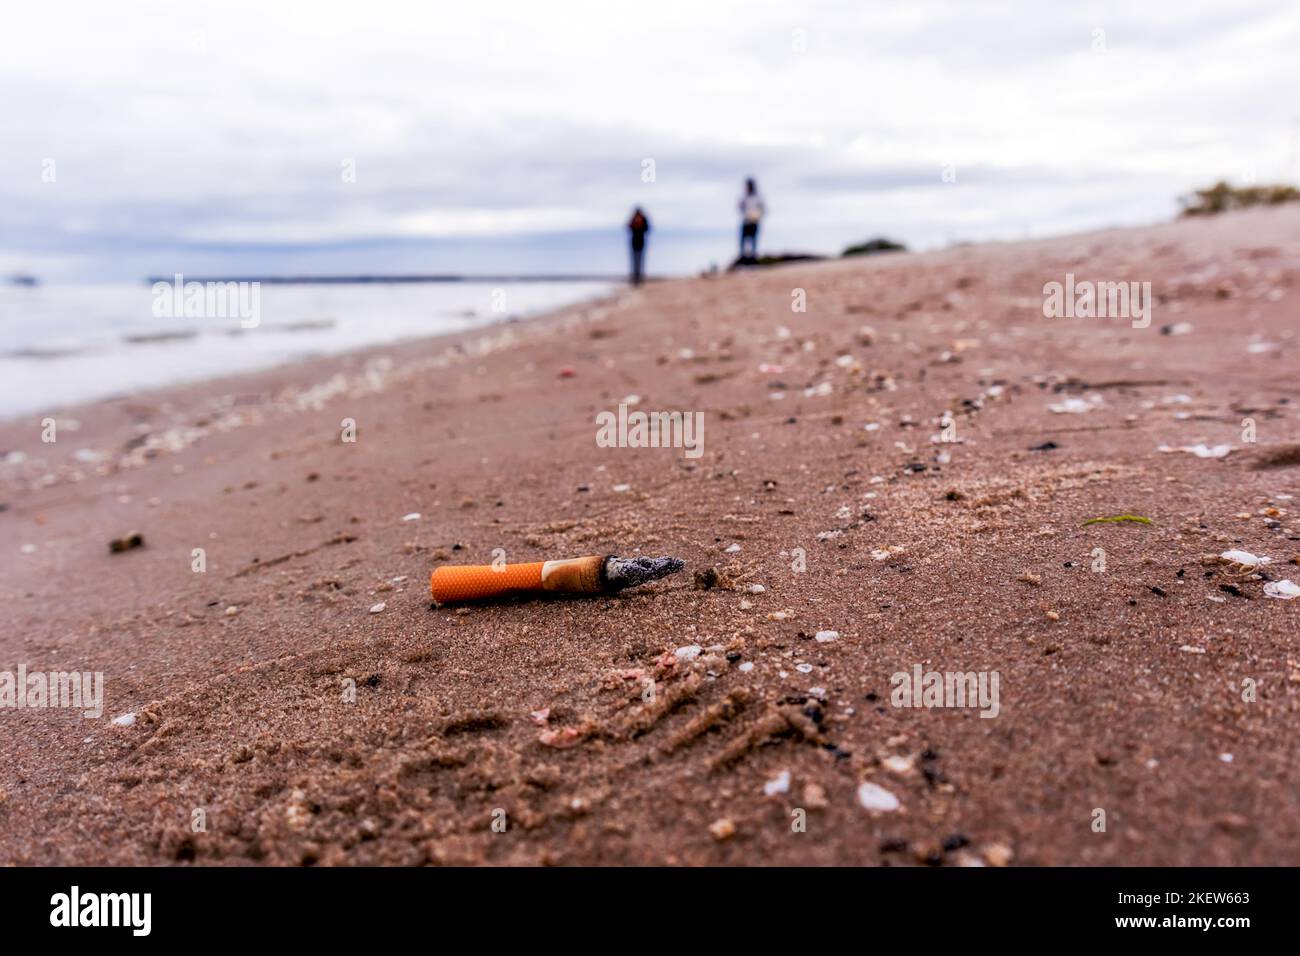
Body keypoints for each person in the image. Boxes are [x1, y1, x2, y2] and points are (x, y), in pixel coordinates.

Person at [738, 178, 764, 263]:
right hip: (746, 221)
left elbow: (762, 208)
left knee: (753, 240)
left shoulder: (757, 197)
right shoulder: (744, 197)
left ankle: (752, 258)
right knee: (743, 240)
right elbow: (740, 207)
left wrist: (758, 216)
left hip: (754, 221)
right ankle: (743, 257)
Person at [627, 207, 650, 285]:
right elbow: (628, 227)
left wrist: (640, 227)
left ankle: (639, 278)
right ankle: (635, 279)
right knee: (635, 262)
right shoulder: (633, 219)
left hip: (640, 242)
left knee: (640, 261)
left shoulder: (643, 219)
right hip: (635, 243)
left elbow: (647, 229)